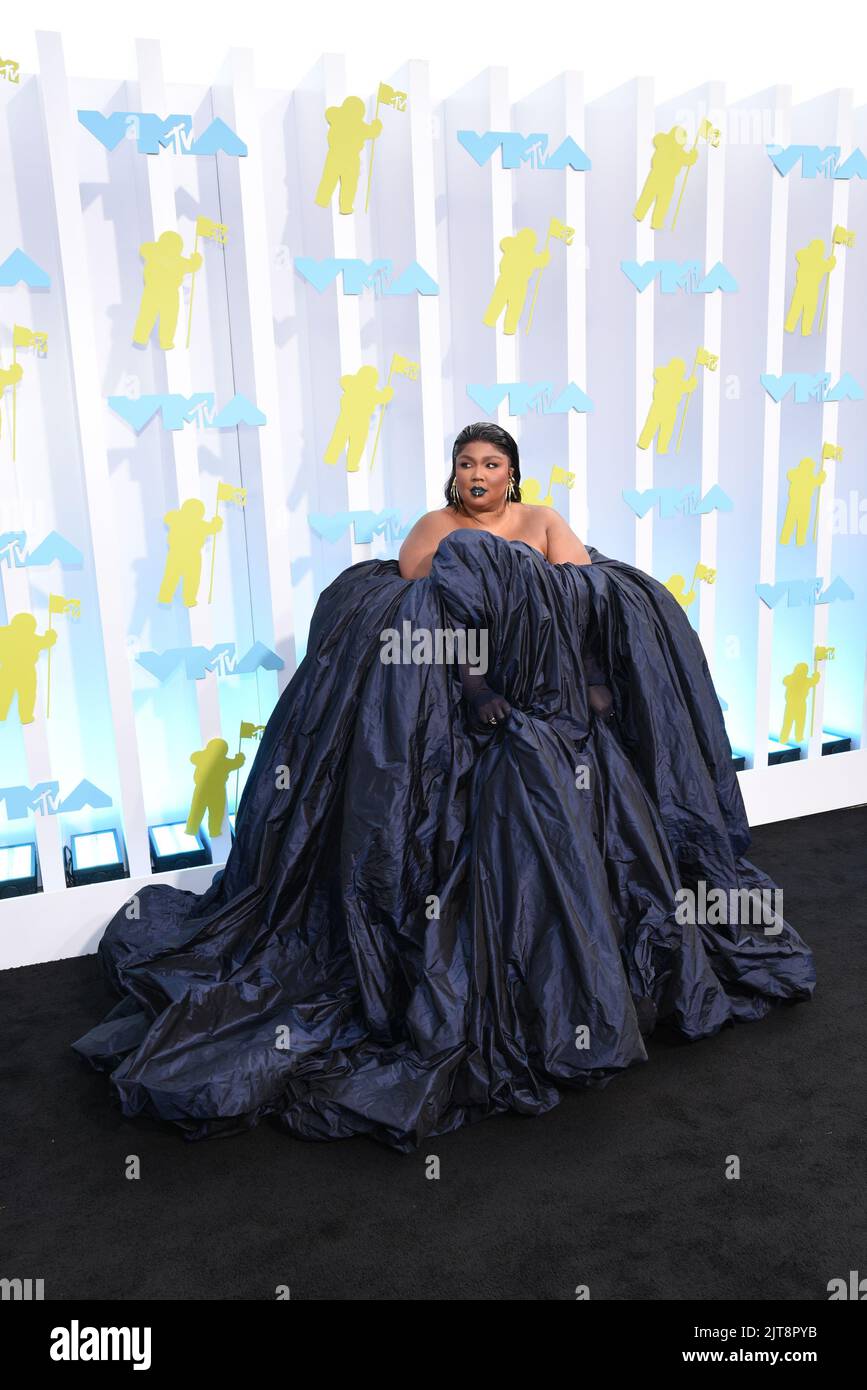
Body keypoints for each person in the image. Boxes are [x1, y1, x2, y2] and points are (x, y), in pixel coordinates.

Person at [72, 422, 815, 1151]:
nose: (478, 473)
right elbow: (423, 599)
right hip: (442, 719)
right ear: (453, 474)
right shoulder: (435, 526)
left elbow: (584, 595)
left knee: (574, 817)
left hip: (546, 702)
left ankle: (579, 983)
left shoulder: (544, 521)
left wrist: (574, 667)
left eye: (491, 462)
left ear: (512, 473)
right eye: (466, 463)